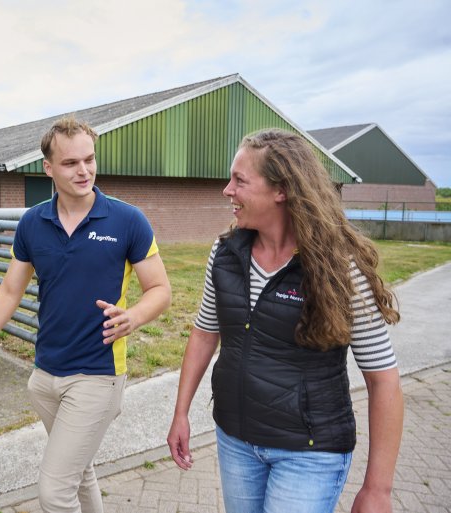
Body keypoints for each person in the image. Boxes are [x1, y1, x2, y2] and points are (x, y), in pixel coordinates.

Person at [166, 128, 404, 513]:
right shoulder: (225, 253)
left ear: (281, 190)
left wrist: (378, 488)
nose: (227, 190)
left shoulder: (340, 267)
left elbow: (384, 380)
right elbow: (204, 333)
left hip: (309, 454)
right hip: (236, 441)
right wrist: (181, 413)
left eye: (239, 181)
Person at [0, 116, 171, 513]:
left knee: (54, 492)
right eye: (70, 163)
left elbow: (160, 290)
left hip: (97, 376)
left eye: (89, 159)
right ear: (48, 168)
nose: (84, 170)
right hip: (45, 376)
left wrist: (134, 316)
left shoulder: (128, 220)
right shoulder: (32, 223)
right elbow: (9, 291)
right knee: (79, 472)